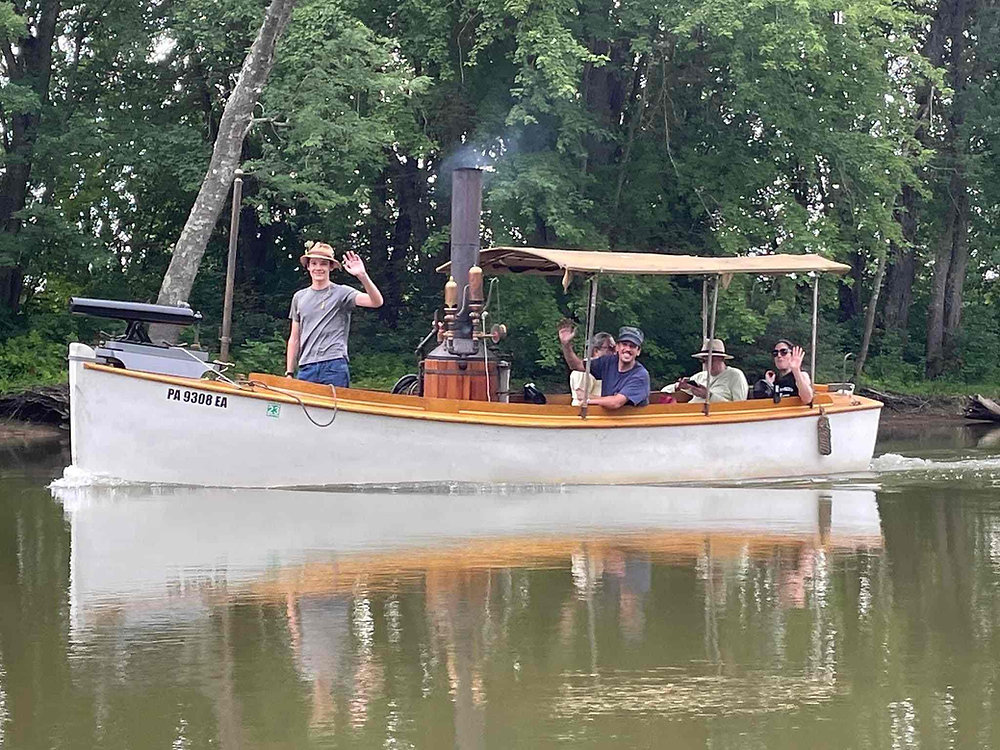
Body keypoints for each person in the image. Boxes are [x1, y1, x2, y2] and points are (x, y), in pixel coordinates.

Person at [285, 241, 384, 387]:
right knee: (302, 409)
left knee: (334, 409)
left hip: (334, 365)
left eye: (323, 264)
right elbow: (294, 338)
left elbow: (376, 302)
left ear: (331, 267)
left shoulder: (342, 292)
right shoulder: (299, 297)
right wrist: (289, 372)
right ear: (308, 266)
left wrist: (362, 276)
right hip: (306, 366)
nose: (318, 268)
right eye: (314, 263)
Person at [558, 323, 650, 408]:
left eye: (632, 346)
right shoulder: (608, 362)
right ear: (617, 347)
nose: (627, 349)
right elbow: (576, 366)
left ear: (638, 351)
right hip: (609, 419)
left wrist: (589, 399)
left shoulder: (641, 375)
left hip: (633, 422)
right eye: (624, 344)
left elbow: (616, 403)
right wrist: (566, 345)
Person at [663, 338, 748, 403]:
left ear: (721, 359)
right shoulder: (700, 376)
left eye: (712, 360)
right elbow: (663, 392)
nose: (707, 364)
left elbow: (739, 407)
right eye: (704, 361)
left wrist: (708, 396)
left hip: (717, 420)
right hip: (692, 415)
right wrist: (679, 386)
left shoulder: (735, 375)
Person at [569, 332, 615, 405]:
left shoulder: (609, 368)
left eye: (614, 348)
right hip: (584, 413)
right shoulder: (584, 369)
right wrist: (610, 401)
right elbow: (580, 395)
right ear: (596, 350)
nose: (614, 352)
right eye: (609, 348)